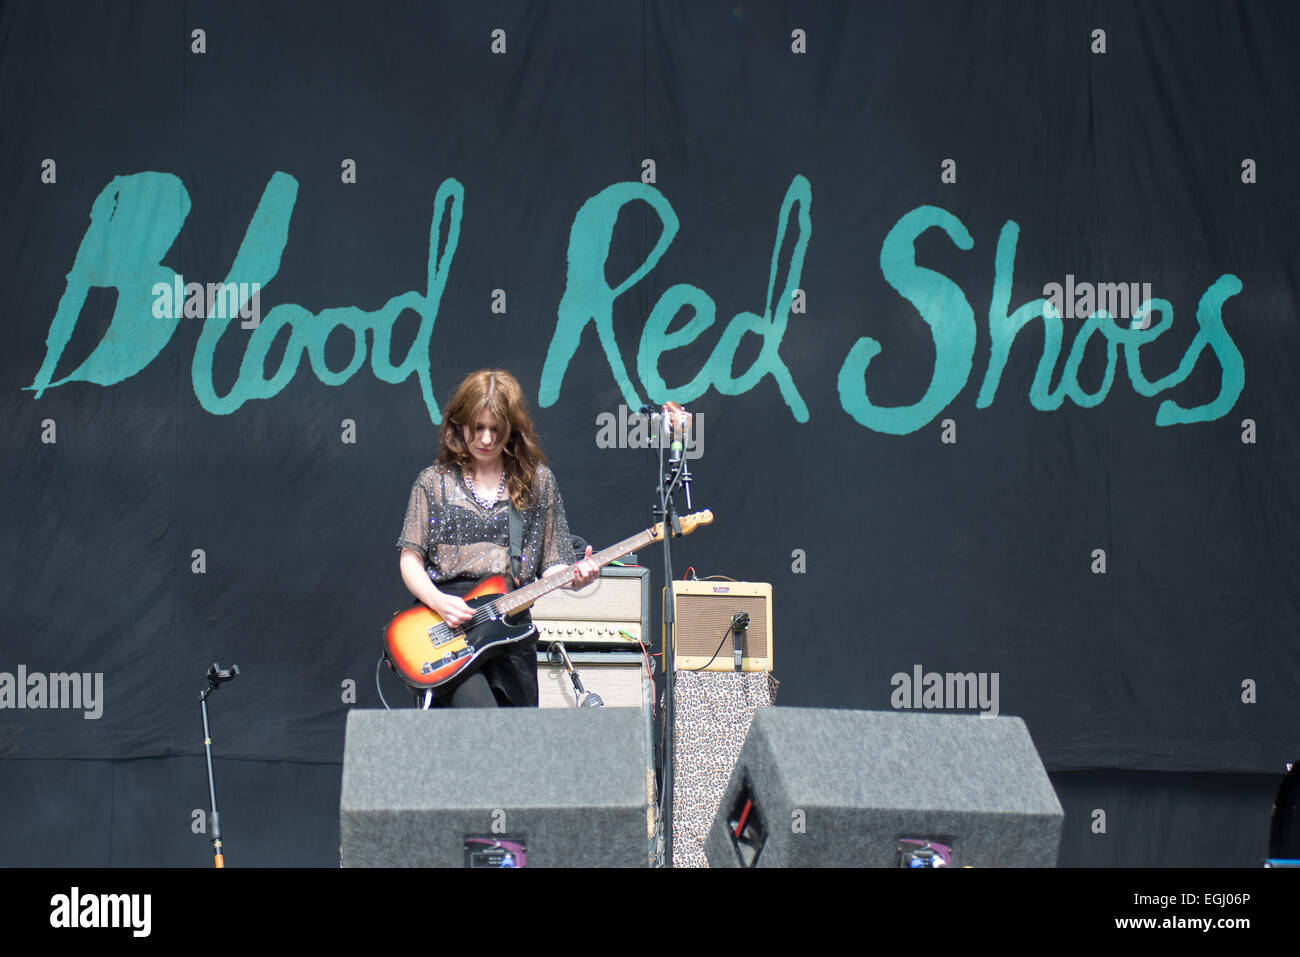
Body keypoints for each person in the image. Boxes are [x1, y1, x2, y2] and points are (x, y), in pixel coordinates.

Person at [397, 369, 599, 708]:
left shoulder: (539, 482)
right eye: (478, 427)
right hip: (449, 625)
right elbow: (409, 559)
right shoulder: (433, 482)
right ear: (459, 424)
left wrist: (574, 579)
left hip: (511, 628)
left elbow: (552, 564)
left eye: (496, 429)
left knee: (513, 749)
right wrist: (437, 601)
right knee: (484, 731)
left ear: (513, 429)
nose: (487, 439)